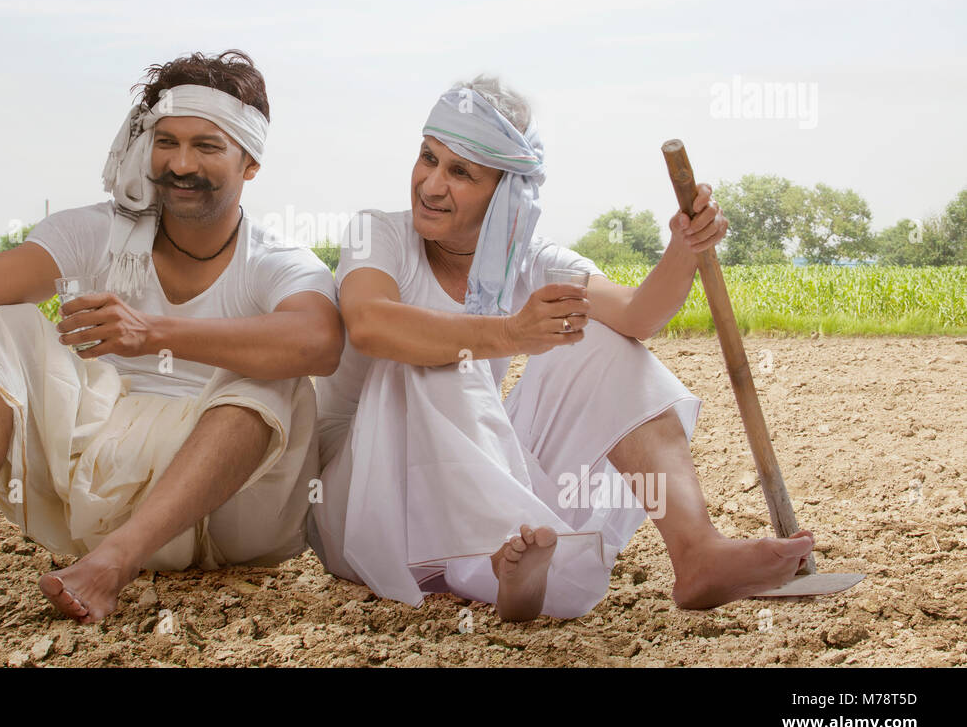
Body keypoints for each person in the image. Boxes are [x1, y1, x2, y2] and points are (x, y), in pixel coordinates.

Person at [0, 49, 342, 623]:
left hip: (232, 513)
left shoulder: (280, 260)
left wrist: (155, 334)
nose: (180, 164)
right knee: (3, 323)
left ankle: (113, 565)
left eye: (206, 146)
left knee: (274, 372)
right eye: (167, 142)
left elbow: (318, 341)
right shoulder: (94, 232)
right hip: (99, 487)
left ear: (251, 163)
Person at [309, 76, 814, 621]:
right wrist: (507, 334)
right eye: (428, 158)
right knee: (436, 358)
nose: (431, 184)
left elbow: (636, 317)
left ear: (506, 192)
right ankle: (495, 566)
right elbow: (370, 325)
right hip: (362, 501)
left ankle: (694, 551)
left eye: (460, 172)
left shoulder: (524, 256)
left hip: (468, 475)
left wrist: (683, 249)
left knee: (597, 334)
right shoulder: (377, 232)